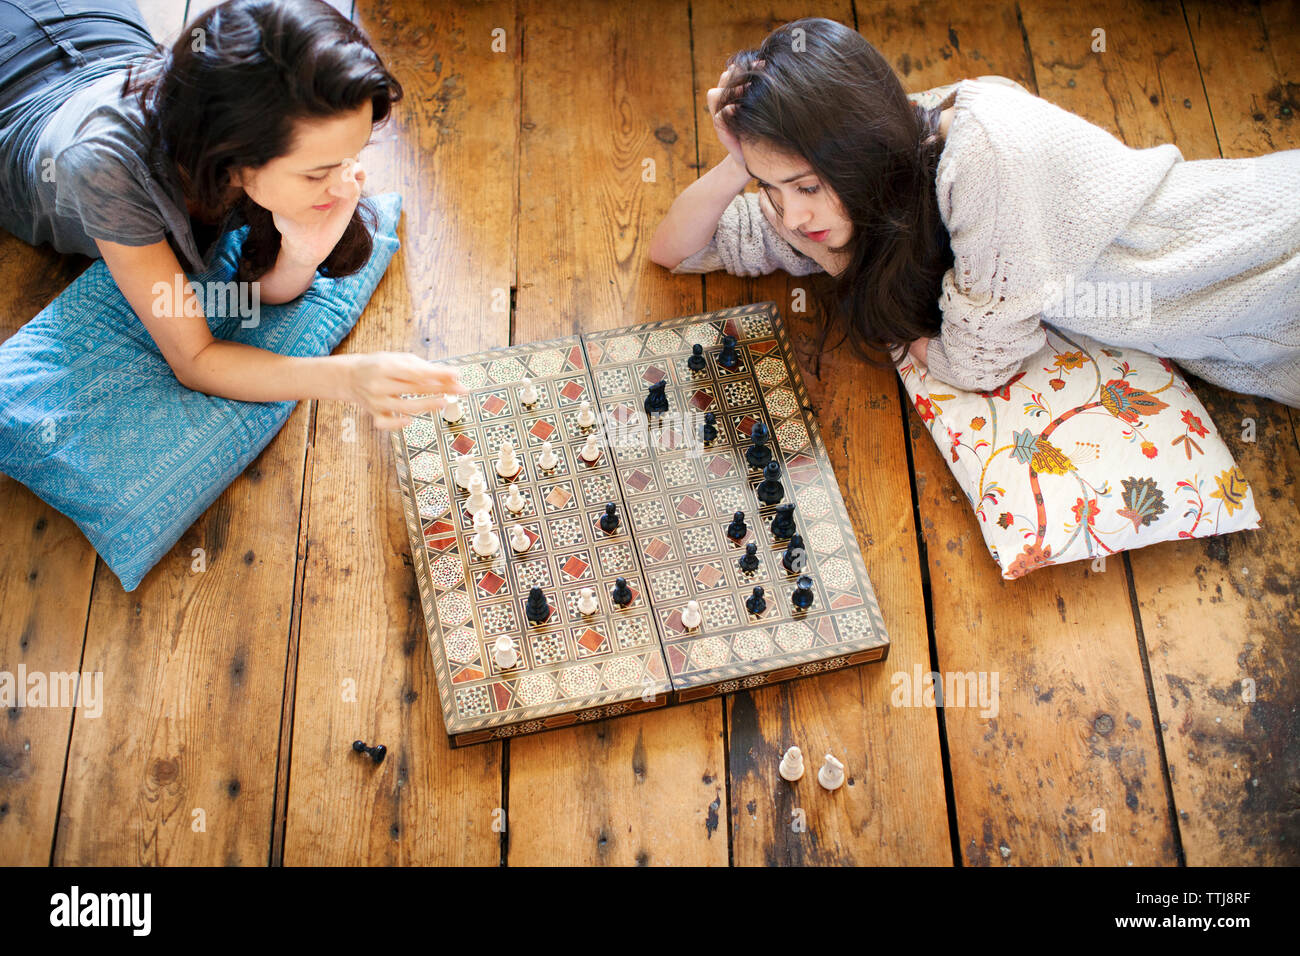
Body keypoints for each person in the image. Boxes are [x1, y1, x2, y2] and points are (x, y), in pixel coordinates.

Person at [649, 17, 1300, 409]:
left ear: (851, 156)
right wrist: (739, 160)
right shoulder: (851, 181)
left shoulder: (979, 156)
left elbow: (976, 364)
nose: (790, 215)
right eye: (771, 187)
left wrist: (836, 260)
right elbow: (676, 250)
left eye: (806, 186)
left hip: (1242, 257)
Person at [0, 0, 464, 429]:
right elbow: (196, 358)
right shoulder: (104, 170)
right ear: (233, 161)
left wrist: (302, 253)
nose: (350, 184)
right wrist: (346, 379)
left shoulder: (243, 110)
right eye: (316, 174)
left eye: (354, 155)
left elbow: (257, 292)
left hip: (92, 22)